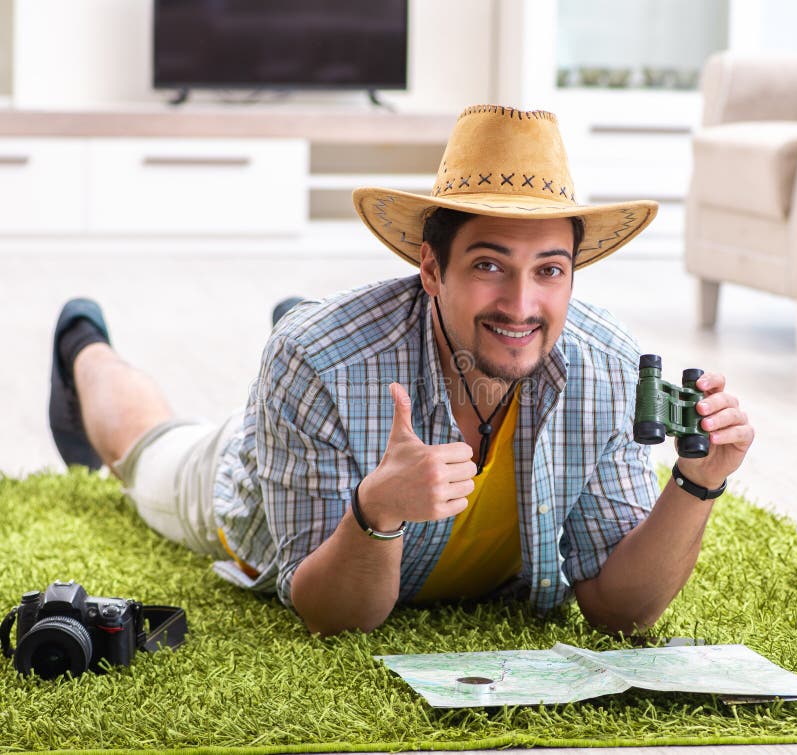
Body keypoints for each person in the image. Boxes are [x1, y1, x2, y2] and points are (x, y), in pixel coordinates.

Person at [48, 105, 754, 637]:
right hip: (256, 486)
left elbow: (619, 610)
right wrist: (376, 510)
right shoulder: (316, 359)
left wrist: (699, 480)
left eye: (549, 270)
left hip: (350, 365)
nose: (520, 303)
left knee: (327, 350)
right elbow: (332, 617)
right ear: (429, 267)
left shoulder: (606, 368)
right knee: (146, 450)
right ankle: (83, 347)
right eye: (488, 265)